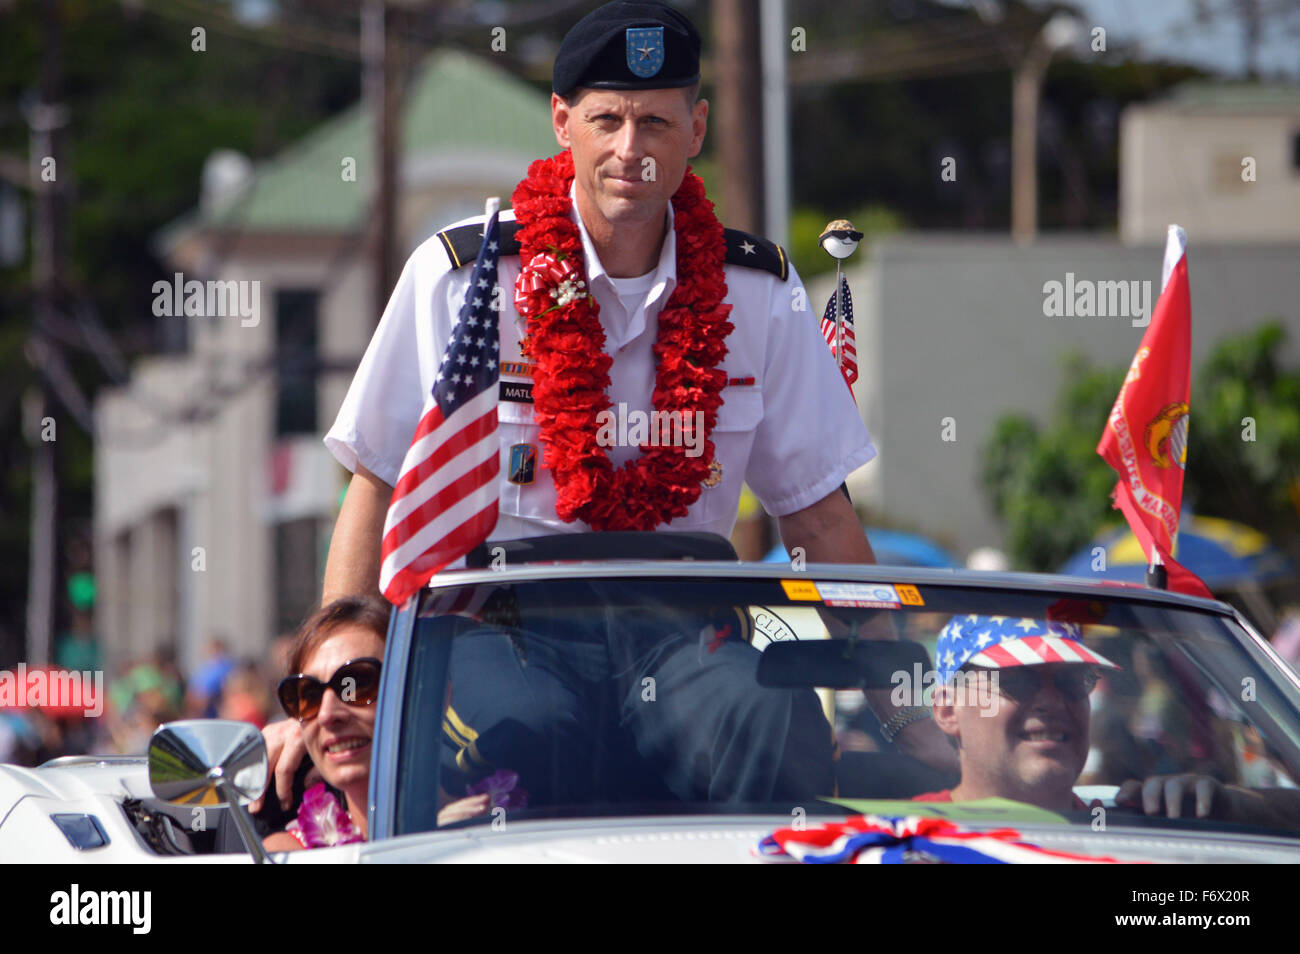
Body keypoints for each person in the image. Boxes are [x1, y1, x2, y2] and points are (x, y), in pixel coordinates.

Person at [260, 0, 956, 812]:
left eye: (657, 123)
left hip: (683, 632)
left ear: (696, 131)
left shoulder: (757, 292)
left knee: (772, 712)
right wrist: (324, 697)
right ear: (563, 122)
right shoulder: (465, 277)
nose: (632, 150)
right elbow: (375, 485)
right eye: (608, 119)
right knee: (530, 732)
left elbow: (820, 519)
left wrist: (905, 713)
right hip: (503, 629)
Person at [922, 614, 1300, 829]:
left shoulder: (1136, 824)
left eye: (1072, 680)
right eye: (1016, 681)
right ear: (947, 710)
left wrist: (1227, 806)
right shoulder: (897, 836)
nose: (1052, 701)